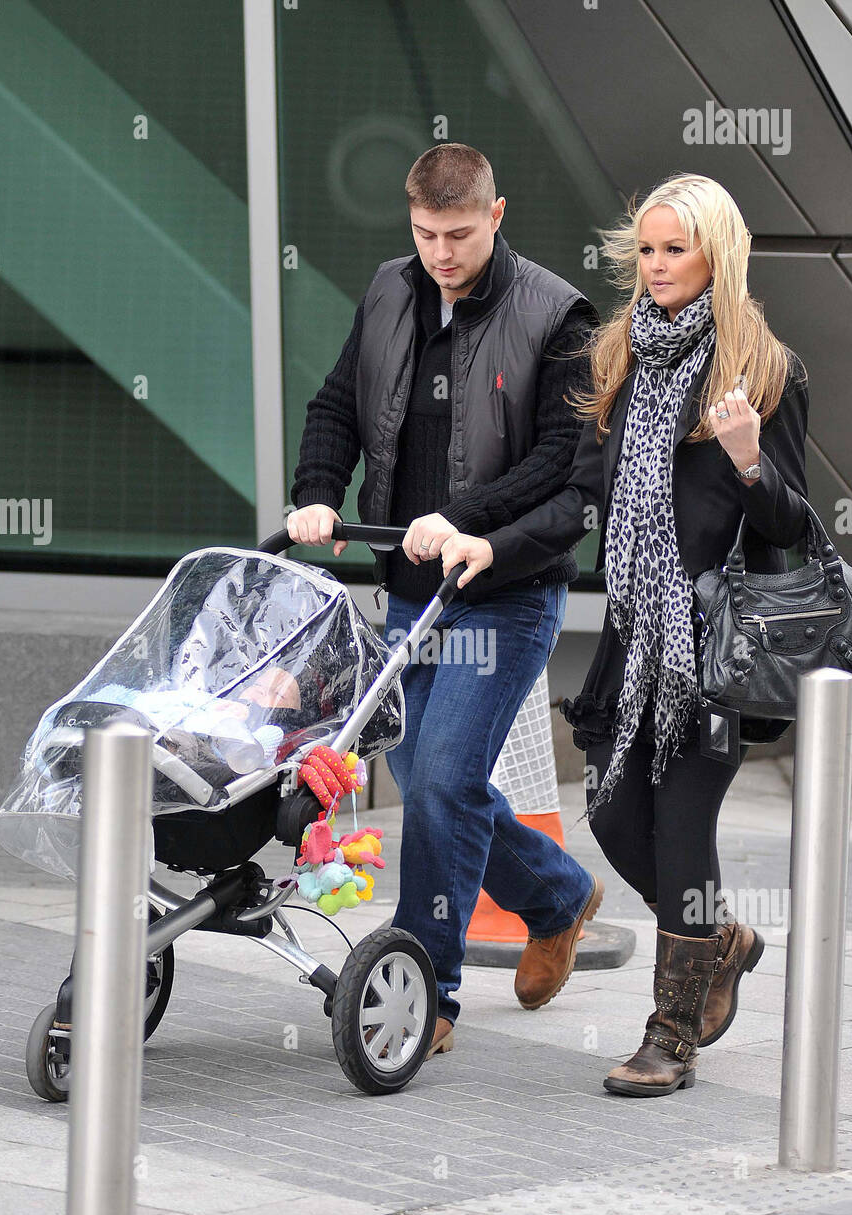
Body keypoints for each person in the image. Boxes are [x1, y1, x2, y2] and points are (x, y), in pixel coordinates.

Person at [286, 143, 604, 1052]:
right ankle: (556, 895)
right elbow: (337, 407)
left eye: (458, 233)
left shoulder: (557, 316)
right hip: (409, 590)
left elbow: (558, 462)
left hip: (502, 591)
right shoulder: (390, 290)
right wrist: (318, 489)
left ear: (495, 216)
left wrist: (461, 517)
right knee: (428, 780)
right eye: (425, 234)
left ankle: (429, 990)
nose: (441, 253)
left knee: (444, 783)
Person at [555, 172, 809, 1098]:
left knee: (682, 829)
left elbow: (789, 527)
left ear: (716, 254)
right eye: (648, 251)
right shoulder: (618, 353)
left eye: (676, 250)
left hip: (714, 645)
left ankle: (671, 1035)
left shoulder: (766, 370)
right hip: (632, 633)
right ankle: (722, 942)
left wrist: (746, 459)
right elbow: (588, 481)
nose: (657, 267)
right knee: (616, 818)